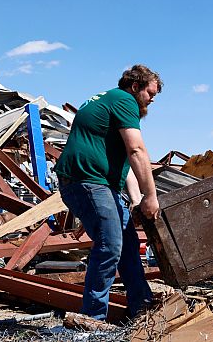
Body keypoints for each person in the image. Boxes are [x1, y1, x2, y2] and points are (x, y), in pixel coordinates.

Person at [55, 64, 162, 321]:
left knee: (127, 244)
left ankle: (142, 307)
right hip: (88, 181)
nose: (152, 100)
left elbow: (124, 167)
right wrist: (151, 196)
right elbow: (137, 150)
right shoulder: (125, 100)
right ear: (135, 87)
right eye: (150, 93)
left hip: (95, 183)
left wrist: (136, 200)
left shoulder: (108, 101)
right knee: (110, 244)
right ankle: (92, 319)